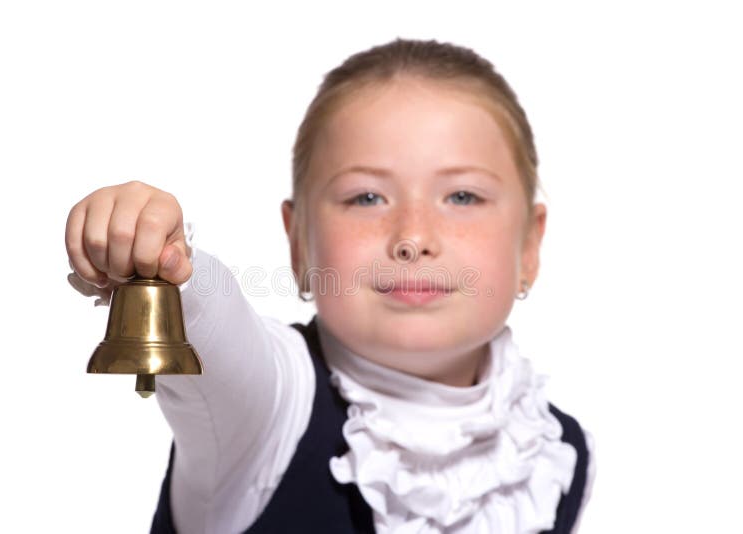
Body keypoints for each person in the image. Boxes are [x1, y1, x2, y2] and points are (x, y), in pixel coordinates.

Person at [65, 37, 595, 533]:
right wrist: (161, 255)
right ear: (298, 244)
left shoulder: (558, 452)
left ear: (529, 245)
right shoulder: (271, 409)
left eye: (461, 197)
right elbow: (217, 332)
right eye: (366, 197)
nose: (412, 238)